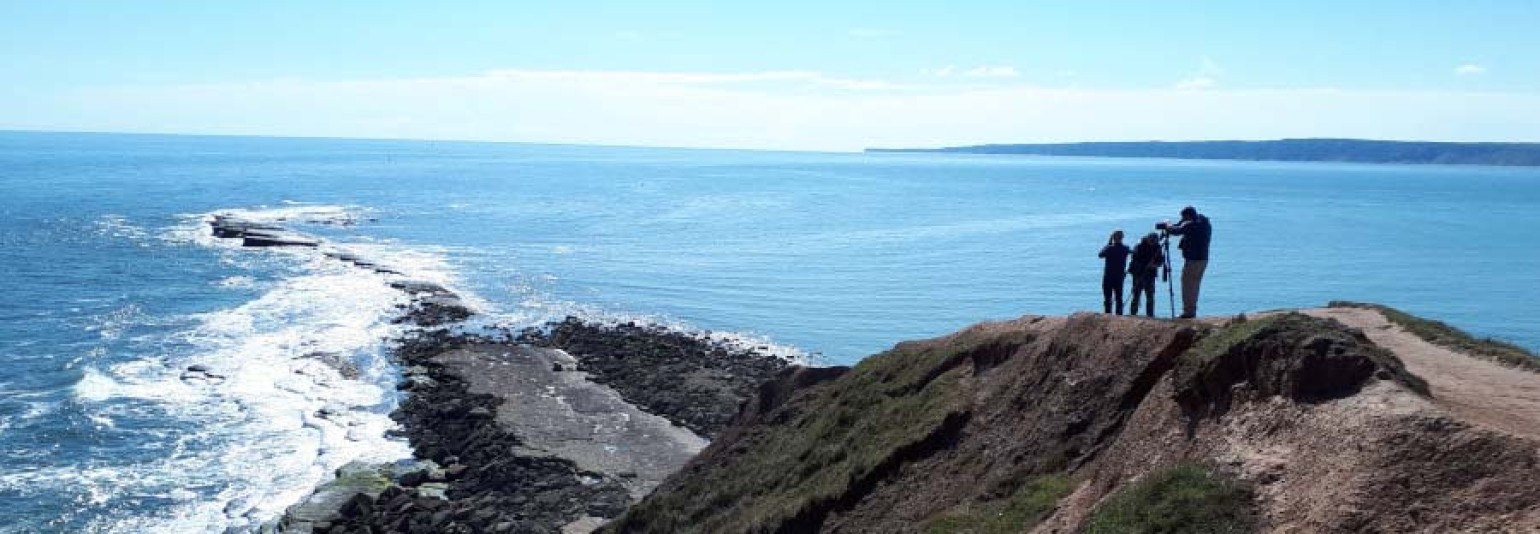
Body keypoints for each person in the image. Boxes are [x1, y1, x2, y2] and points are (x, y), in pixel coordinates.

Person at [1159, 206, 1212, 319]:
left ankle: (1188, 312)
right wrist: (1180, 222)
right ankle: (1191, 310)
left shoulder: (1190, 225)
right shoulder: (1204, 222)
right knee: (1195, 285)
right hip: (1203, 259)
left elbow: (1176, 231)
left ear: (1187, 216)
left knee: (1187, 285)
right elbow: (1183, 226)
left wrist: (1167, 224)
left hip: (1193, 260)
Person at [1128, 232, 1165, 317]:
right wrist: (1144, 265)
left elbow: (1160, 261)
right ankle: (1133, 314)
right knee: (1136, 295)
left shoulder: (1157, 247)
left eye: (1154, 241)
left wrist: (1154, 265)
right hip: (1138, 274)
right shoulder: (1139, 246)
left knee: (1150, 296)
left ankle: (1150, 315)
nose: (1152, 243)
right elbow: (1134, 259)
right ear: (1148, 239)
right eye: (1151, 241)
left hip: (1150, 275)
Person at [1097, 230, 1130, 315]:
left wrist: (1109, 242)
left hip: (1108, 276)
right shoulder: (1126, 248)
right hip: (1119, 276)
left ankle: (1108, 314)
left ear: (1113, 238)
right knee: (1119, 297)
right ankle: (1119, 314)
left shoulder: (1109, 248)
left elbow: (1100, 254)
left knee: (1108, 297)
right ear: (1122, 238)